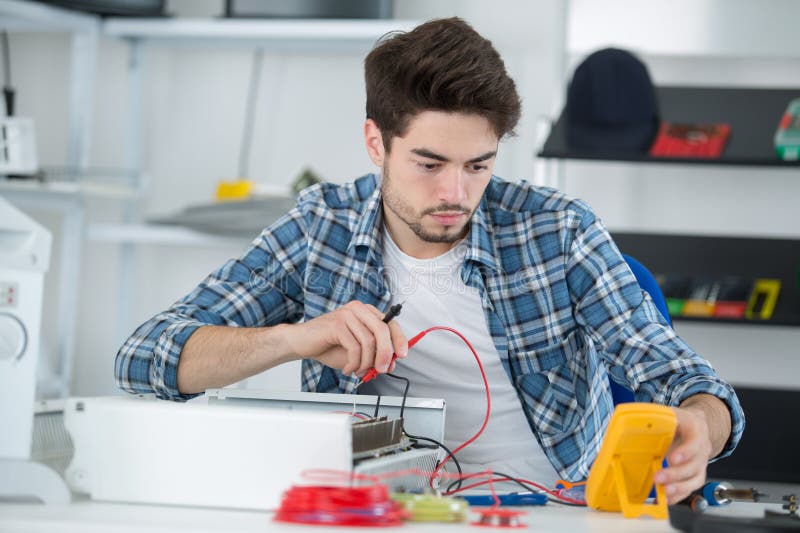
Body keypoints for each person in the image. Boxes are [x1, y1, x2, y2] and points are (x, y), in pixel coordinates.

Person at [115, 17, 743, 503]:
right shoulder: (320, 228)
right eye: (429, 164)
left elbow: (693, 383)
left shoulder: (559, 231)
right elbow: (142, 357)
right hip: (388, 511)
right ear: (376, 143)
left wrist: (700, 426)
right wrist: (293, 339)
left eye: (478, 165)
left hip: (549, 510)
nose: (455, 194)